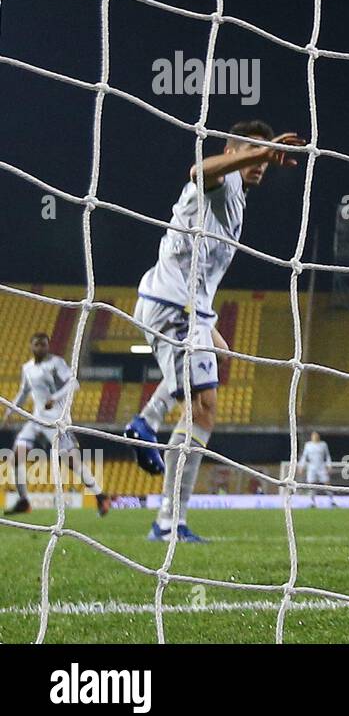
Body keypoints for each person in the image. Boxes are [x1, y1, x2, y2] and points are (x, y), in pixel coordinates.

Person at [126, 120, 302, 543]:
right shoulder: (222, 184)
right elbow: (199, 171)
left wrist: (212, 330)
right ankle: (169, 522)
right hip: (173, 305)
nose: (263, 164)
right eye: (254, 153)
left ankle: (145, 425)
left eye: (267, 157)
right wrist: (259, 151)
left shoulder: (237, 198)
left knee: (220, 359)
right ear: (234, 150)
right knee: (203, 410)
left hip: (184, 307)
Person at [3, 333, 110, 516]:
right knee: (17, 456)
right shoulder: (27, 368)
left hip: (56, 420)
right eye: (37, 344)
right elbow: (24, 391)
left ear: (48, 346)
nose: (41, 348)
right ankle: (23, 501)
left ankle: (100, 495)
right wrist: (10, 411)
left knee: (73, 463)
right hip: (36, 419)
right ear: (31, 346)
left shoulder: (56, 363)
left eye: (44, 345)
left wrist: (54, 398)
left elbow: (74, 383)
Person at [297, 431, 334, 508]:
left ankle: (331, 500)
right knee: (311, 484)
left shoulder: (323, 445)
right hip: (312, 467)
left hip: (321, 467)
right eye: (313, 436)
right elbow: (304, 456)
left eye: (316, 435)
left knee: (327, 483)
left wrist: (329, 465)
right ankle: (312, 502)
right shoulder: (308, 445)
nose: (315, 437)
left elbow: (327, 456)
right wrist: (301, 466)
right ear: (311, 437)